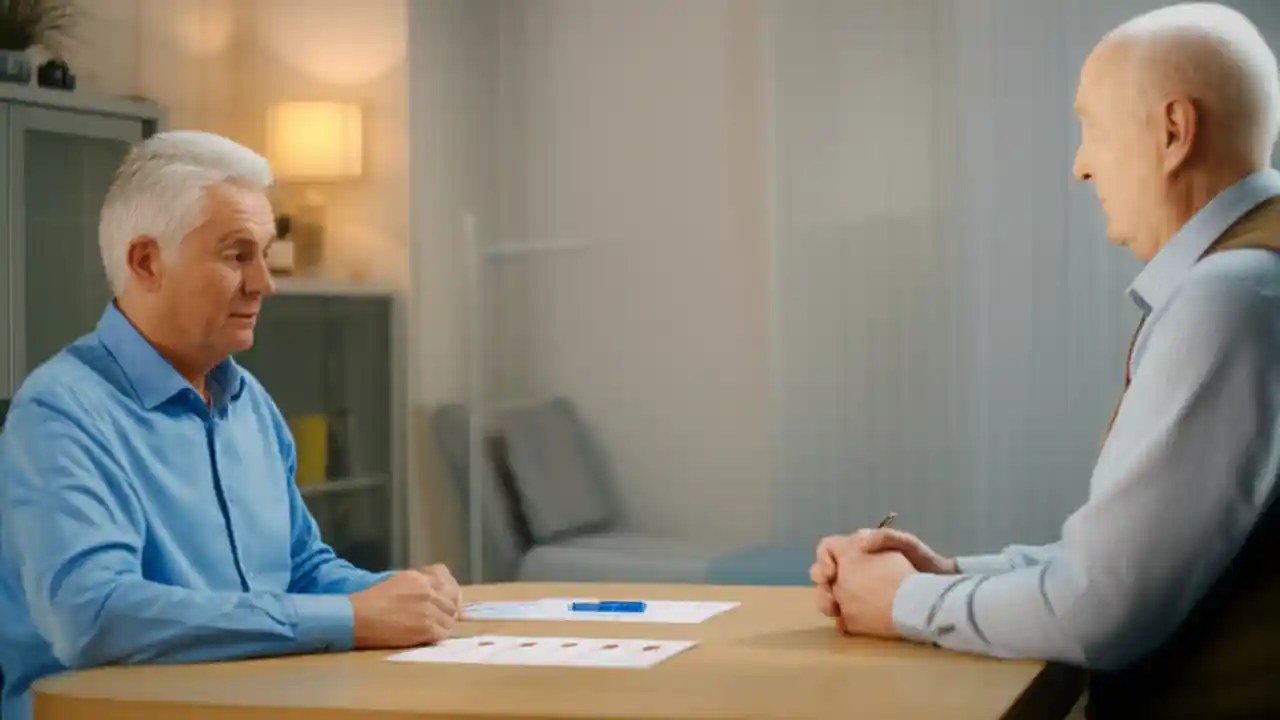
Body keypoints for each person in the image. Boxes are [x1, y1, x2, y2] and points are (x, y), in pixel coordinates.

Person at [812, 3, 1280, 717]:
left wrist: (903, 601)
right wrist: (949, 574)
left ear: (1174, 131)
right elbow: (1120, 565)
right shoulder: (1254, 277)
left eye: (1091, 127)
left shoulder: (1229, 301)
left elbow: (1103, 608)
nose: (1080, 165)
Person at [0, 131, 461, 720]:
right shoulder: (60, 413)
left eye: (264, 254)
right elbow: (92, 616)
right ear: (147, 261)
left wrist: (401, 594)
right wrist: (352, 619)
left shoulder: (250, 404)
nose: (264, 283)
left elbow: (300, 569)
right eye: (236, 254)